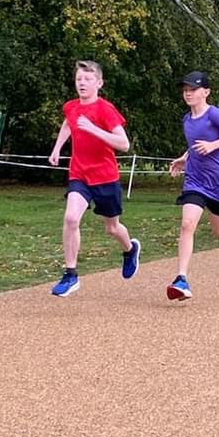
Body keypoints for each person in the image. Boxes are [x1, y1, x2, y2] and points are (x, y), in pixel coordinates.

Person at [47, 60, 139, 298]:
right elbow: (69, 123)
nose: (82, 83)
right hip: (80, 174)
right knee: (70, 218)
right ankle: (71, 274)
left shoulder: (105, 109)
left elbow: (124, 144)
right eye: (79, 79)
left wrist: (92, 129)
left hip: (106, 177)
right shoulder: (71, 106)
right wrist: (57, 148)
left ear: (99, 83)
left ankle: (130, 250)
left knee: (112, 227)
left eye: (87, 79)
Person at [166, 72, 219, 300]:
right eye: (185, 90)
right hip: (194, 181)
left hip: (218, 182)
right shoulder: (186, 119)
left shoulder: (214, 115)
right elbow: (193, 145)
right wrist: (184, 158)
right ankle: (181, 278)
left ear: (206, 92)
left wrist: (214, 145)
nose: (188, 93)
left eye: (193, 89)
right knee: (187, 223)